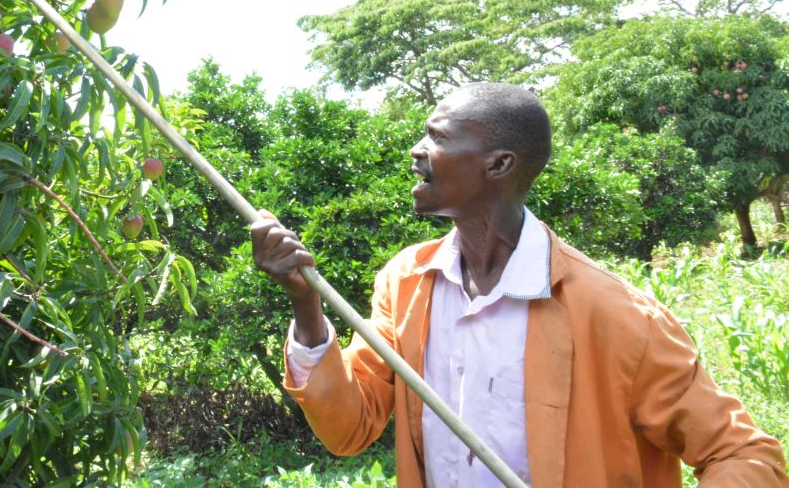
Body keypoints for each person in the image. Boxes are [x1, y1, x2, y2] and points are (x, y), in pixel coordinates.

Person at [252, 82, 788, 487]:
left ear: (499, 164)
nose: (416, 150)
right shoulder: (407, 282)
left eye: (436, 137)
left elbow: (745, 456)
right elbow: (351, 428)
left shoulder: (615, 313)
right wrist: (306, 304)